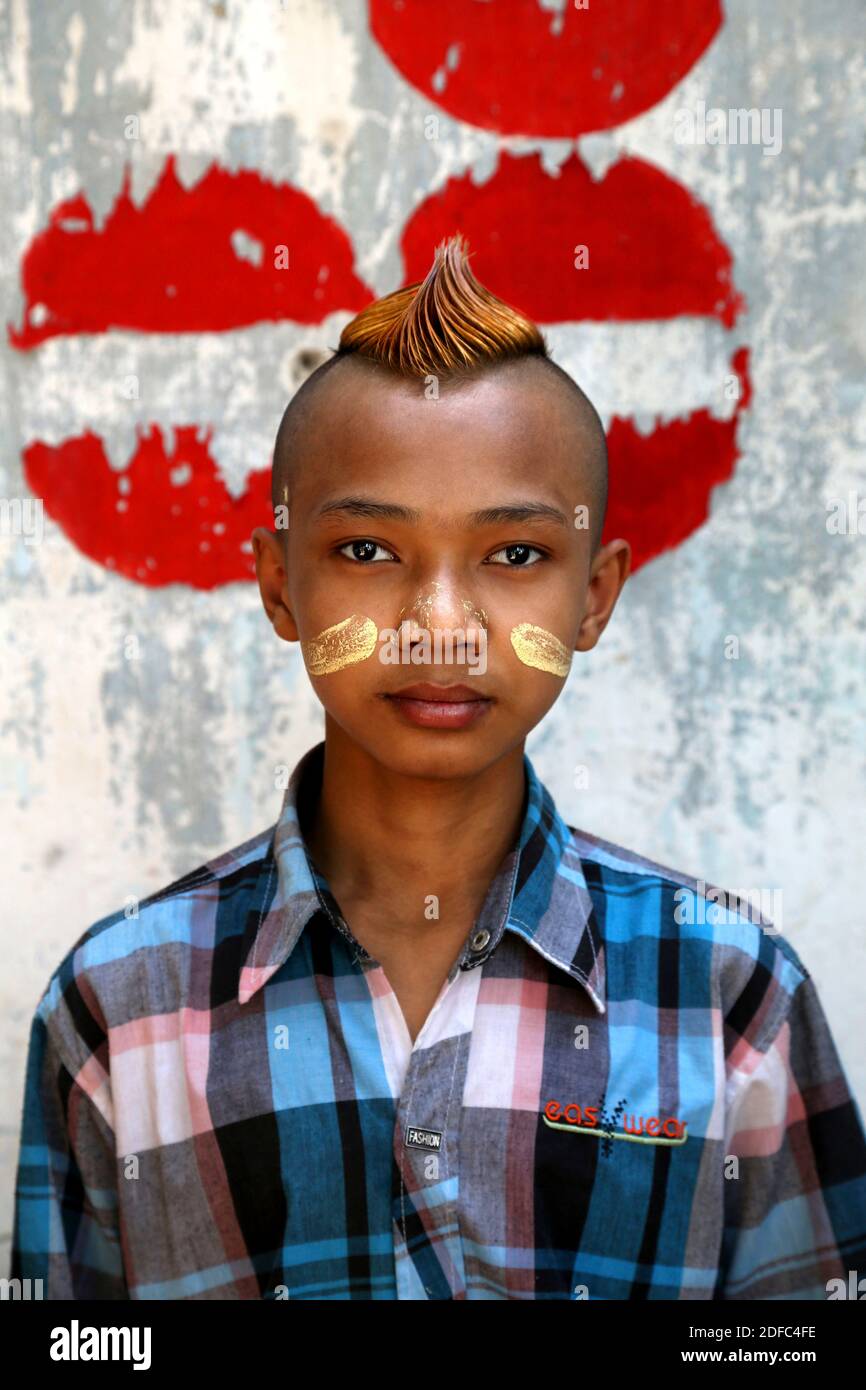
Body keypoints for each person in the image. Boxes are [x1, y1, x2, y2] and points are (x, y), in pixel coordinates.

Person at [10, 235, 866, 1299]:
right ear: (280, 586)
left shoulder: (728, 996)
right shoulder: (119, 1007)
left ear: (592, 595)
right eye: (367, 551)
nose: (440, 629)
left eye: (514, 555)